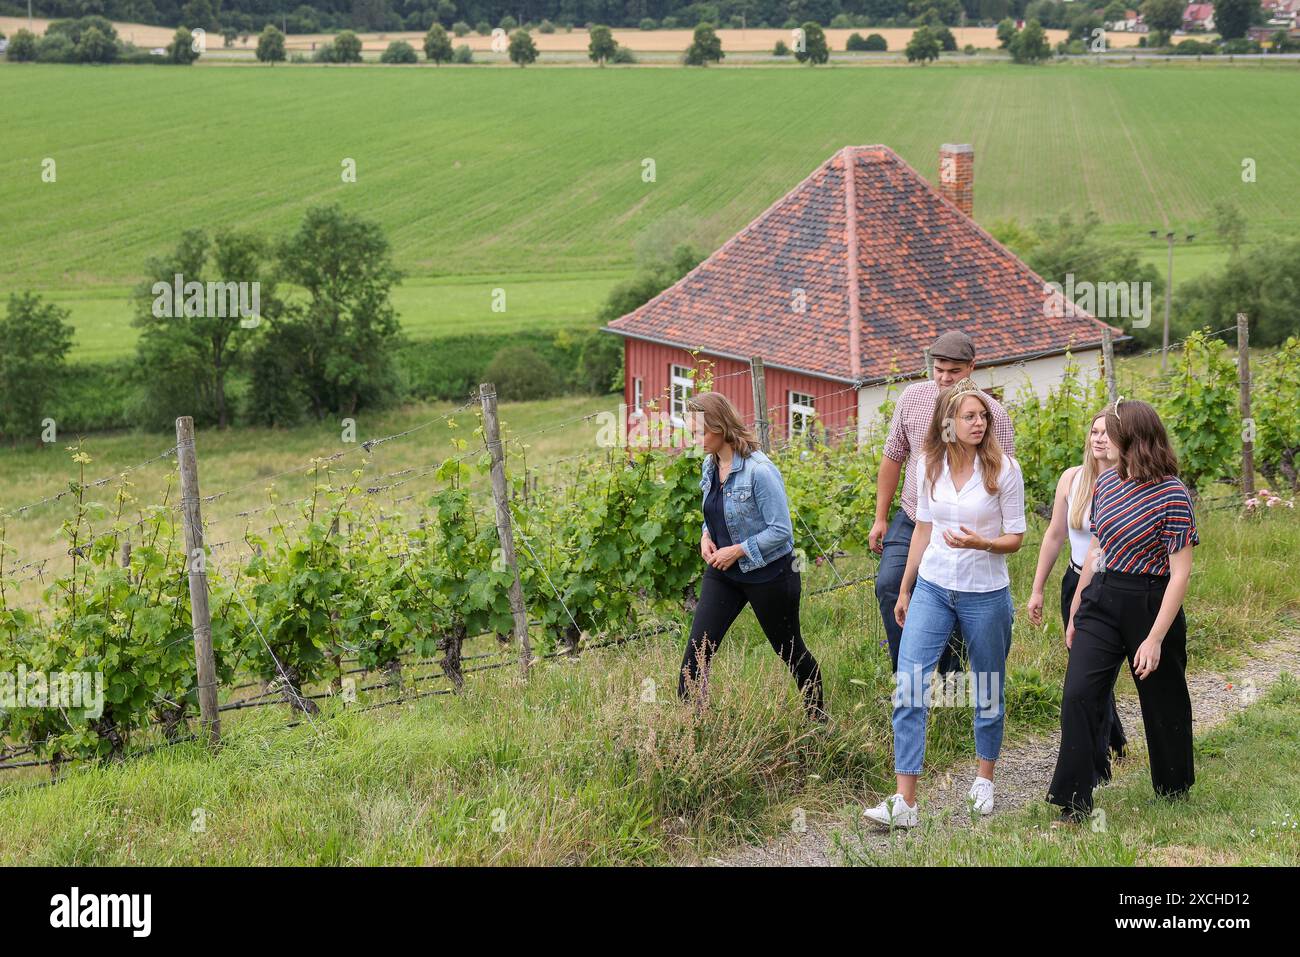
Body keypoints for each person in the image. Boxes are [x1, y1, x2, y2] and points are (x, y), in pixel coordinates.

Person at [863, 379, 1026, 828]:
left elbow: (1016, 538)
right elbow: (922, 529)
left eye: (983, 416)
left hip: (986, 592)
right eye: (970, 416)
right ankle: (905, 801)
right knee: (911, 685)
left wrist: (984, 543)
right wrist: (905, 588)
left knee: (987, 684)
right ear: (948, 424)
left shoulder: (1004, 469)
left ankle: (984, 778)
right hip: (933, 586)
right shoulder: (930, 466)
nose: (980, 423)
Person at [1048, 398, 1198, 822]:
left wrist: (1154, 638)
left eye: (1110, 430)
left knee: (1163, 697)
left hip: (1152, 599)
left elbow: (1180, 574)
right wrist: (1078, 603)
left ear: (1132, 437)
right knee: (1079, 693)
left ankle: (1173, 787)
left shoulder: (1172, 493)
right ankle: (1073, 800)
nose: (1101, 438)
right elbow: (1098, 546)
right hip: (1103, 595)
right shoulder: (1109, 482)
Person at [869, 331, 1017, 675]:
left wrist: (988, 536)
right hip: (914, 515)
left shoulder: (991, 414)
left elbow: (1004, 479)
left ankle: (949, 676)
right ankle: (906, 673)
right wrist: (880, 517)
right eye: (939, 369)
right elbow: (893, 457)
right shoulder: (913, 398)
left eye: (954, 371)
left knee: (952, 595)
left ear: (972, 368)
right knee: (890, 585)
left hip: (966, 522)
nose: (944, 378)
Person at [677, 392, 825, 719]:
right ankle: (688, 734)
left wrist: (739, 549)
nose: (694, 440)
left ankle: (819, 722)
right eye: (690, 432)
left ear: (721, 427)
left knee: (790, 652)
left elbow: (781, 531)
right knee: (696, 656)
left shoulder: (759, 470)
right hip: (724, 574)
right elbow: (712, 511)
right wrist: (706, 536)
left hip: (769, 574)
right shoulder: (710, 463)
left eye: (699, 432)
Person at [1026, 408, 1128, 770]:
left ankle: (1098, 755)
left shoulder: (1128, 480)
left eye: (1108, 432)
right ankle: (1111, 740)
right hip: (1075, 581)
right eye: (1094, 431)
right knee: (1084, 668)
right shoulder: (1072, 479)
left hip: (1112, 583)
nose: (1099, 438)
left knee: (1097, 673)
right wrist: (1037, 588)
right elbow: (1055, 535)